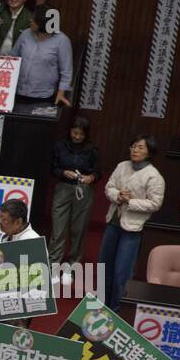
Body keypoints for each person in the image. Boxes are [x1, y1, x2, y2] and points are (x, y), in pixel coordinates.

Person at [97, 134, 165, 311]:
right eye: (133, 146)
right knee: (104, 266)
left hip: (132, 228)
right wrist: (117, 196)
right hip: (113, 222)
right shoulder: (122, 166)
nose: (135, 150)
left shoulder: (154, 176)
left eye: (141, 147)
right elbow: (109, 187)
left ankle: (116, 310)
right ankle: (100, 304)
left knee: (122, 272)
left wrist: (130, 201)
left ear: (149, 152)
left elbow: (155, 204)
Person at [49, 117, 100, 273]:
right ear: (70, 130)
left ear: (86, 134)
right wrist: (63, 172)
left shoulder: (92, 149)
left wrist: (90, 178)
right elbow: (52, 167)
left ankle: (72, 266)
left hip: (83, 190)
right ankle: (53, 264)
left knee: (79, 229)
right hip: (63, 187)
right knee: (58, 229)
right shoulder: (60, 145)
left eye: (81, 134)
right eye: (74, 132)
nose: (77, 137)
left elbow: (98, 172)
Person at [10, 3, 72, 106]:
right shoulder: (25, 34)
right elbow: (12, 57)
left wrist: (61, 94)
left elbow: (66, 72)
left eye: (34, 20)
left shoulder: (62, 41)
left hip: (43, 97)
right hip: (17, 92)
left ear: (43, 24)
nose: (30, 20)